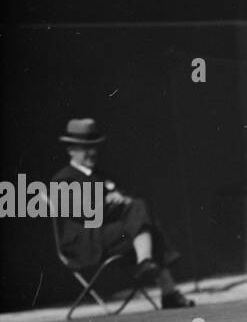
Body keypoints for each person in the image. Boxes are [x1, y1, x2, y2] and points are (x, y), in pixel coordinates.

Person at [51, 119, 194, 309]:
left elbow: (125, 206)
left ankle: (149, 265)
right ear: (71, 150)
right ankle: (165, 287)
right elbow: (81, 213)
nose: (92, 152)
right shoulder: (63, 179)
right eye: (85, 148)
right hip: (84, 240)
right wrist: (108, 202)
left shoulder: (102, 175)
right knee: (144, 221)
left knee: (141, 216)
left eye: (94, 147)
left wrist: (120, 199)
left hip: (111, 234)